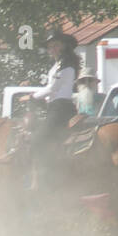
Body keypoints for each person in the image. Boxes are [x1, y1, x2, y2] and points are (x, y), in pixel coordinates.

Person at [20, 31, 79, 190]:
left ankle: (40, 176)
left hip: (61, 108)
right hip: (55, 107)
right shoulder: (58, 65)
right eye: (50, 47)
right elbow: (51, 89)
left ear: (64, 46)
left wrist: (32, 97)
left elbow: (53, 88)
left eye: (55, 45)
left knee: (37, 139)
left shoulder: (66, 66)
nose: (52, 49)